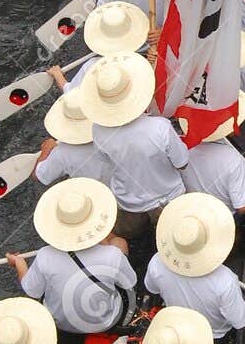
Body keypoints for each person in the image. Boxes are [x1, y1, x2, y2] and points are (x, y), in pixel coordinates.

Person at [77, 54, 189, 239]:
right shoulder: (160, 127)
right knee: (176, 239)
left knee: (129, 238)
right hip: (167, 198)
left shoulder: (98, 130)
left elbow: (105, 161)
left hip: (128, 202)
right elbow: (182, 163)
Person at [9, 176, 137, 335]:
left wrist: (19, 264)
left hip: (59, 324)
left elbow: (32, 291)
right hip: (106, 321)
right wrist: (103, 238)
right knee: (119, 242)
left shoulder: (45, 256)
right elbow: (129, 282)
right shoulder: (113, 255)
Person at [145, 192, 245, 339]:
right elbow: (242, 321)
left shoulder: (156, 262)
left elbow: (152, 288)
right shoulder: (225, 281)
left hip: (180, 326)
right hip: (214, 334)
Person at [181, 100, 245, 216]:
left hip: (194, 209)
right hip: (223, 216)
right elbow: (243, 206)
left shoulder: (180, 146)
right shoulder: (232, 159)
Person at [34, 83, 111, 187]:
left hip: (99, 194)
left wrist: (45, 151)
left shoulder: (61, 153)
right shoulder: (116, 128)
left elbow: (38, 176)